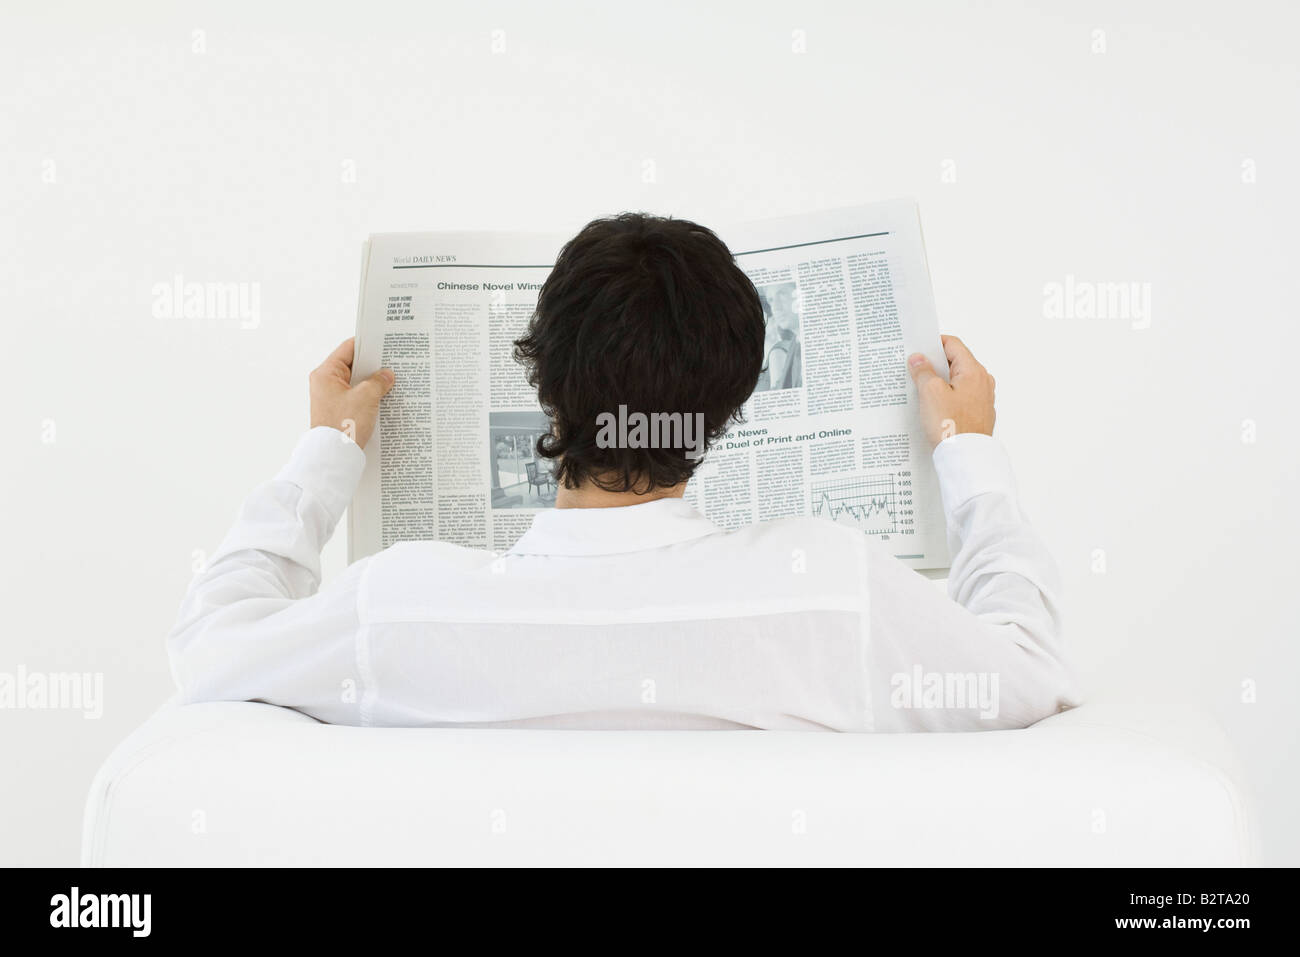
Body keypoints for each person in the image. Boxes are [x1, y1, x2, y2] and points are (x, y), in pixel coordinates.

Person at [168, 213, 1076, 731]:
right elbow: (1029, 672)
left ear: (540, 380)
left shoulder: (399, 606)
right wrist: (968, 452)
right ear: (727, 409)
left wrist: (326, 452)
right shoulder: (829, 592)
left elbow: (208, 649)